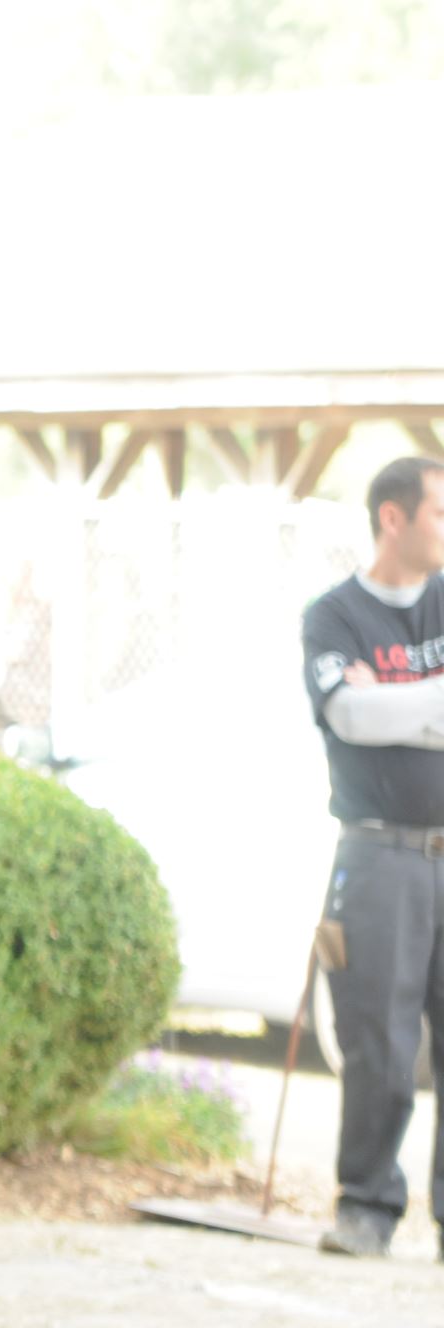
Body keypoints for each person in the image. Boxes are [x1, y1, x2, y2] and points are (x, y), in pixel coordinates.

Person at [301, 454, 444, 1263]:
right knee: (378, 1042)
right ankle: (367, 1206)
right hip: (377, 853)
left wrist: (397, 707)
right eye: (439, 513)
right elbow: (348, 716)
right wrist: (426, 703)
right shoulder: (335, 615)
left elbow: (373, 707)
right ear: (393, 518)